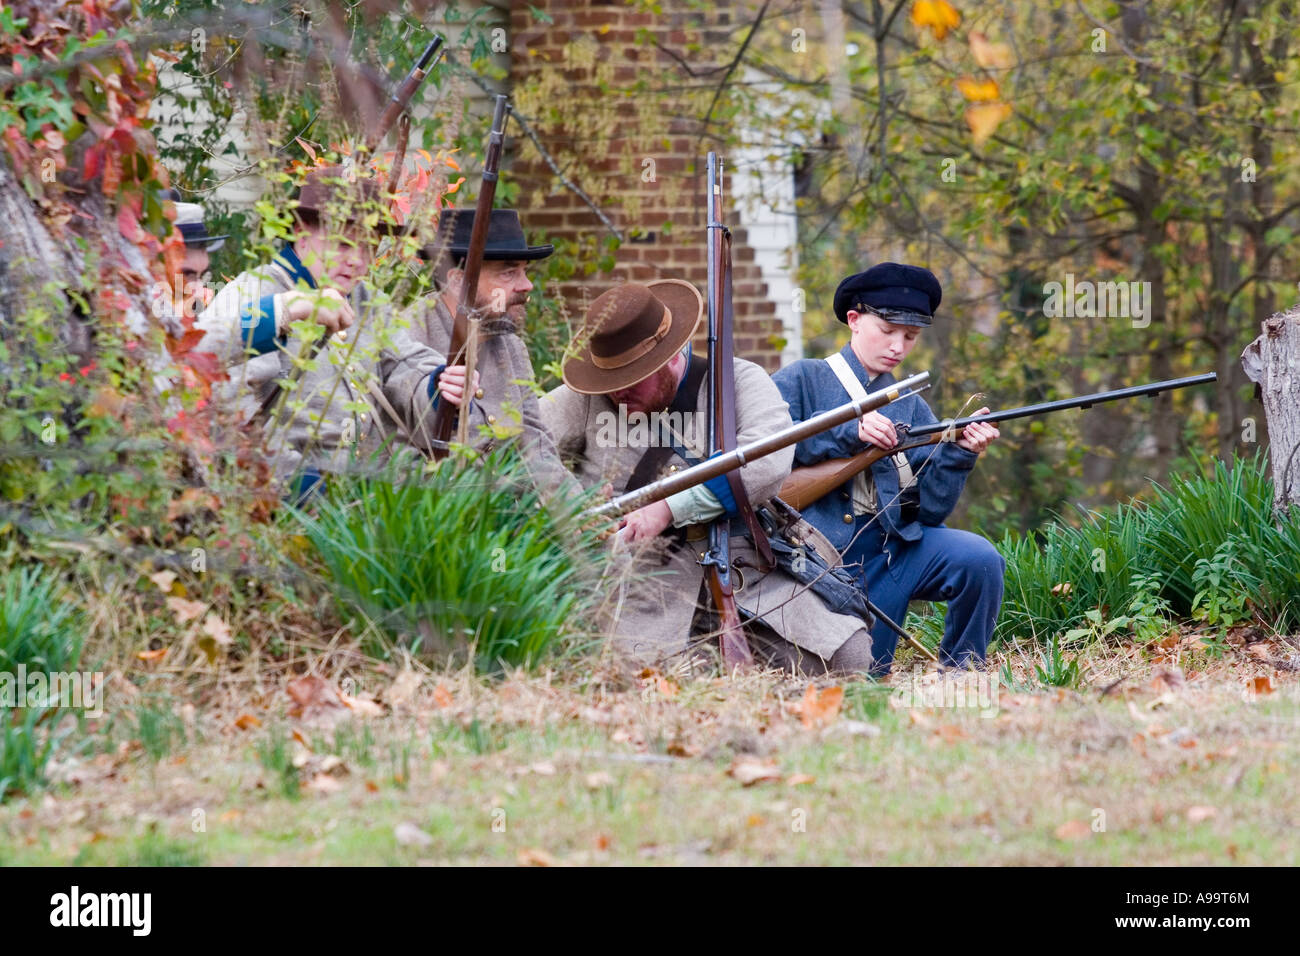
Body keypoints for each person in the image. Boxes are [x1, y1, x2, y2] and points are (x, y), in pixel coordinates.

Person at [541, 280, 875, 674]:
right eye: (611, 384)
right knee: (653, 680)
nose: (617, 395)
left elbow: (768, 461)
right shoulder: (585, 397)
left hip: (745, 575)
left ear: (668, 357)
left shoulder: (737, 381)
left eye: (631, 381)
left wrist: (669, 508)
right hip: (642, 582)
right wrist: (574, 500)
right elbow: (521, 443)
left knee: (847, 657)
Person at [772, 262, 1005, 674]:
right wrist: (850, 432)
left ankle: (961, 671)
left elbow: (927, 512)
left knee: (980, 559)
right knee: (862, 682)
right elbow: (764, 453)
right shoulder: (803, 379)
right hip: (821, 562)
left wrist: (959, 454)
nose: (899, 346)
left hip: (893, 553)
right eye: (888, 330)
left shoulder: (911, 404)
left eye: (910, 336)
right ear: (854, 320)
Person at [194, 166, 476, 492]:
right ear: (300, 234)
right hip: (284, 501)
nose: (358, 260)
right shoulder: (257, 290)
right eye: (342, 244)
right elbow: (222, 404)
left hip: (363, 497)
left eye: (369, 246)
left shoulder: (369, 300)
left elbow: (406, 366)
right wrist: (298, 484)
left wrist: (440, 387)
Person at [408, 208, 578, 497]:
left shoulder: (509, 343)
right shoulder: (409, 338)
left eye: (524, 271)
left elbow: (535, 444)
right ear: (458, 281)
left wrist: (577, 507)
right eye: (509, 273)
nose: (527, 285)